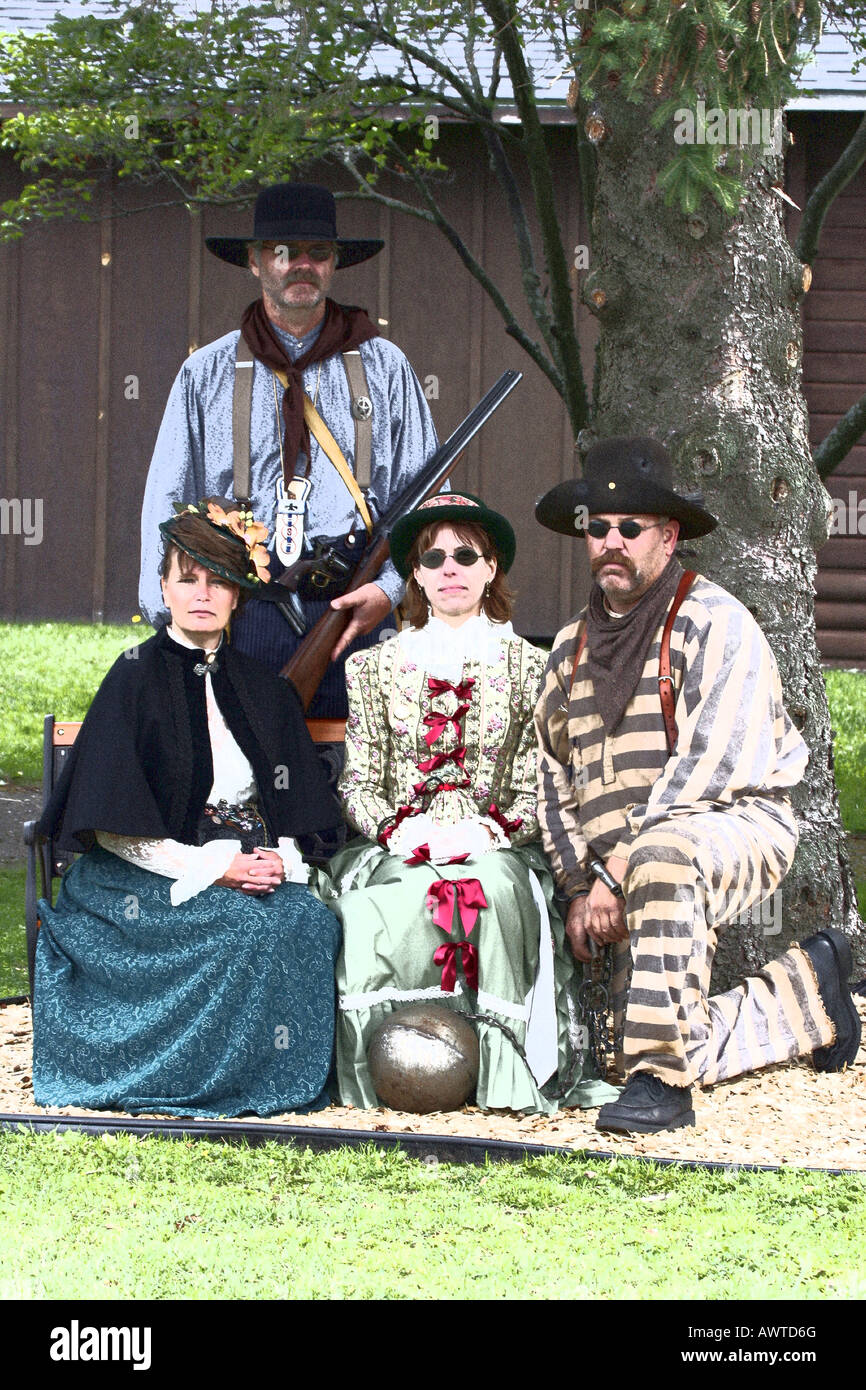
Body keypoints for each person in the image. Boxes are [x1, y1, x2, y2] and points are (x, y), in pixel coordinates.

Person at [534, 435, 862, 1135]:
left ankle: (664, 1086)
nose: (612, 542)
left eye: (631, 528)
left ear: (668, 535)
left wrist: (620, 868)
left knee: (666, 856)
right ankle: (809, 997)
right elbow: (552, 777)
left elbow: (709, 766)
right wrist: (575, 890)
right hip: (613, 873)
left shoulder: (714, 621)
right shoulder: (568, 649)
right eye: (598, 528)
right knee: (621, 1043)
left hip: (734, 824)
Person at [33, 500, 343, 1118]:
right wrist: (213, 868)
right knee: (240, 930)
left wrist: (275, 862)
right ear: (165, 589)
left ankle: (265, 1080)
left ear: (236, 598)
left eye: (218, 582)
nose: (202, 594)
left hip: (249, 859)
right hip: (142, 874)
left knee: (305, 924)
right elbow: (116, 823)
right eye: (187, 578)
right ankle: (196, 1080)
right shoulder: (132, 679)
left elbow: (288, 803)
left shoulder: (263, 688)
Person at [325, 492, 618, 1114]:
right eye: (433, 557)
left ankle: (502, 1079)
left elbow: (544, 783)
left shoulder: (534, 668)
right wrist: (398, 833)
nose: (449, 568)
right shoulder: (372, 668)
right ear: (415, 575)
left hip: (499, 844)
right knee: (383, 904)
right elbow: (360, 783)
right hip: (398, 842)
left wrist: (490, 833)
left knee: (490, 890)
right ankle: (384, 1073)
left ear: (491, 570)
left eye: (466, 554)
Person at [139, 182, 439, 717]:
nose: (301, 265)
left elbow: (423, 503)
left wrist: (387, 593)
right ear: (255, 262)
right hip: (237, 608)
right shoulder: (202, 374)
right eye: (283, 252)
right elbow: (166, 502)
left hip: (352, 609)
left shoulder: (387, 368)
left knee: (354, 782)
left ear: (334, 264)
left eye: (317, 253)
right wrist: (172, 622)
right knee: (234, 784)